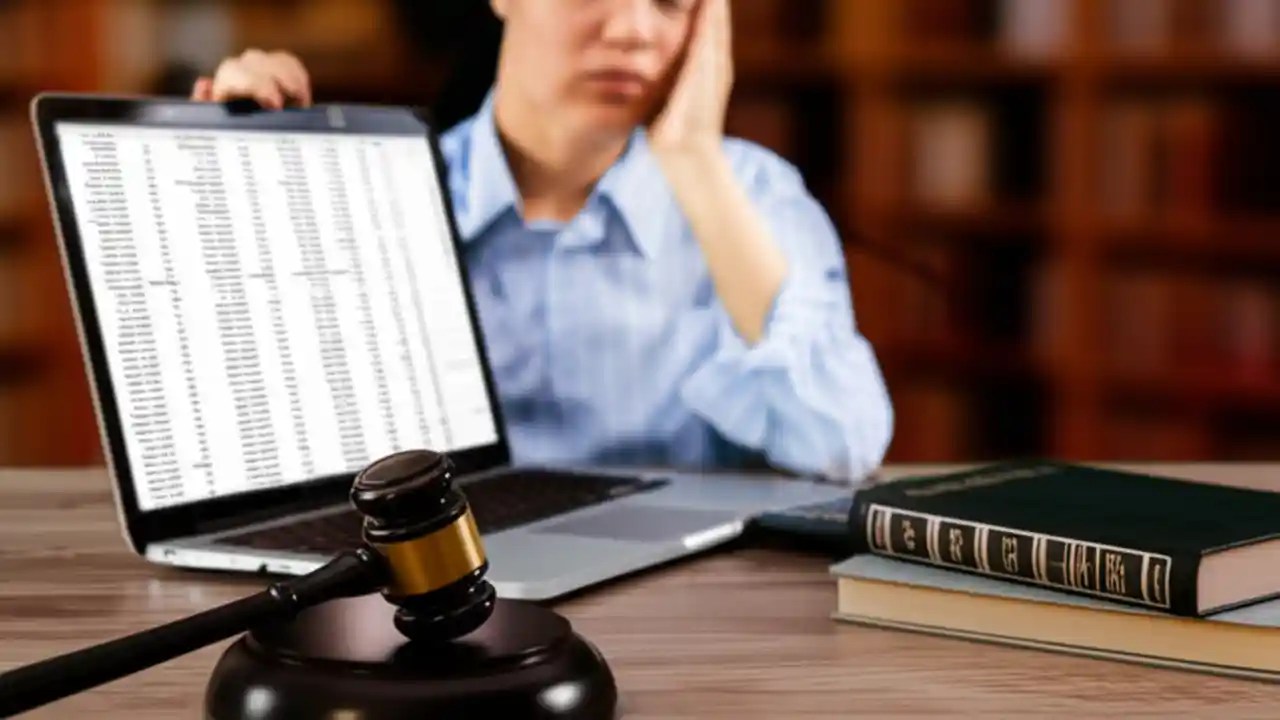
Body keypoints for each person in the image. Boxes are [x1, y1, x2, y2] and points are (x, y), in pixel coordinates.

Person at [192, 0, 894, 482]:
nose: (632, 30)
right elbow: (242, 445)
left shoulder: (754, 196)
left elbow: (843, 445)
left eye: (671, 2)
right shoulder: (387, 198)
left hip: (692, 621)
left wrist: (695, 162)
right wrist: (231, 187)